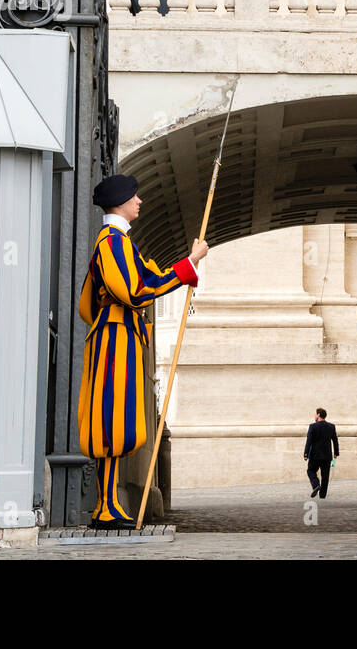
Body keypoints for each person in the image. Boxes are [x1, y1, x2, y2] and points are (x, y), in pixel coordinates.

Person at [77, 173, 208, 530]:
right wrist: (190, 263)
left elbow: (151, 277)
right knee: (111, 421)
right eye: (134, 196)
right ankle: (105, 507)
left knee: (117, 422)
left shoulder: (120, 243)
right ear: (120, 201)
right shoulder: (113, 243)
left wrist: (189, 263)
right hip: (114, 337)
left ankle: (109, 504)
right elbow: (137, 290)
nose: (140, 202)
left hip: (119, 335)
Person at [303, 408, 340, 499]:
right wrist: (336, 453)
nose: (315, 416)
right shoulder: (331, 426)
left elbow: (309, 441)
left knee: (310, 471)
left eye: (315, 414)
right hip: (326, 456)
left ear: (318, 415)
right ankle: (322, 495)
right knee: (325, 476)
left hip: (315, 455)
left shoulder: (313, 426)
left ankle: (316, 485)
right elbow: (335, 440)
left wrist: (306, 454)